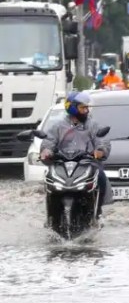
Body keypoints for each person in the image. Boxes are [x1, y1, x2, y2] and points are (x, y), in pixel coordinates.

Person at [39, 91, 112, 219]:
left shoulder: (92, 125)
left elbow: (102, 140)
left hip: (87, 163)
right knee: (48, 179)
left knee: (100, 176)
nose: (86, 111)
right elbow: (49, 141)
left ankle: (97, 211)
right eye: (83, 108)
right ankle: (51, 216)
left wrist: (100, 151)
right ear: (72, 108)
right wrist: (46, 151)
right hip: (62, 164)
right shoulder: (58, 126)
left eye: (87, 108)